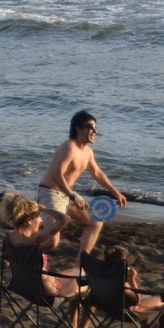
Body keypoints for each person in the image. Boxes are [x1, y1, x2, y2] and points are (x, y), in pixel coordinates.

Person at [38, 109, 127, 258]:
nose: (95, 131)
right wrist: (73, 197)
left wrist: (115, 192)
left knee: (95, 222)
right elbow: (55, 175)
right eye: (90, 127)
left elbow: (97, 173)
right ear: (78, 129)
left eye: (95, 128)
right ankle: (22, 246)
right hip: (50, 193)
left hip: (66, 194)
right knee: (52, 242)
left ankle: (80, 265)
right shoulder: (69, 147)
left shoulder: (87, 152)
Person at [0, 192, 81, 301]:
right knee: (87, 279)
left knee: (77, 271)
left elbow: (8, 262)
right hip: (46, 293)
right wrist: (43, 209)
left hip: (21, 287)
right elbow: (65, 219)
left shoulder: (9, 237)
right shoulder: (34, 240)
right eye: (38, 216)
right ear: (28, 221)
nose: (41, 220)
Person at [98, 245, 164, 328]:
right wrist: (132, 279)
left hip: (109, 308)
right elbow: (136, 300)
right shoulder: (121, 282)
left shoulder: (100, 275)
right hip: (127, 313)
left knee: (149, 296)